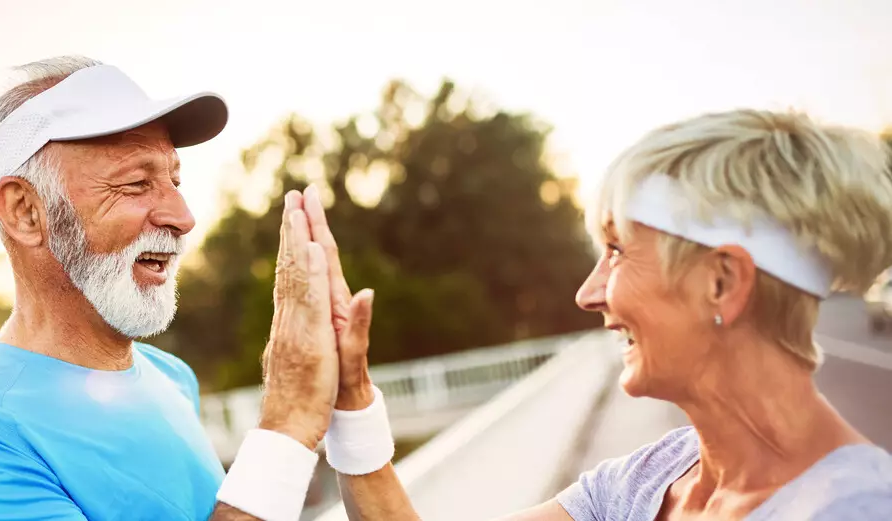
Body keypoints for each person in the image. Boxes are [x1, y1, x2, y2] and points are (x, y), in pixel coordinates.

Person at [289, 109, 892, 519]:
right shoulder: (655, 478)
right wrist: (352, 394)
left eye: (617, 252)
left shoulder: (856, 509)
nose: (588, 293)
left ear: (722, 281)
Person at [0, 55, 374, 521]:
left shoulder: (171, 377)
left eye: (174, 179)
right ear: (24, 211)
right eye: (135, 184)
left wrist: (349, 409)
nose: (183, 217)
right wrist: (287, 425)